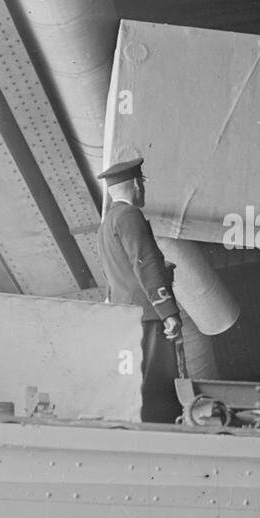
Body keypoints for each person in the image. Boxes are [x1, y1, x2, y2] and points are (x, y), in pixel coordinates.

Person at [97, 157, 183, 423]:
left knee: (137, 385)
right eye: (142, 183)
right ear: (136, 184)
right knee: (158, 389)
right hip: (148, 315)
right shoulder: (130, 215)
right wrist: (168, 311)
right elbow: (144, 264)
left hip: (127, 316)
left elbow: (116, 275)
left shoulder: (106, 224)